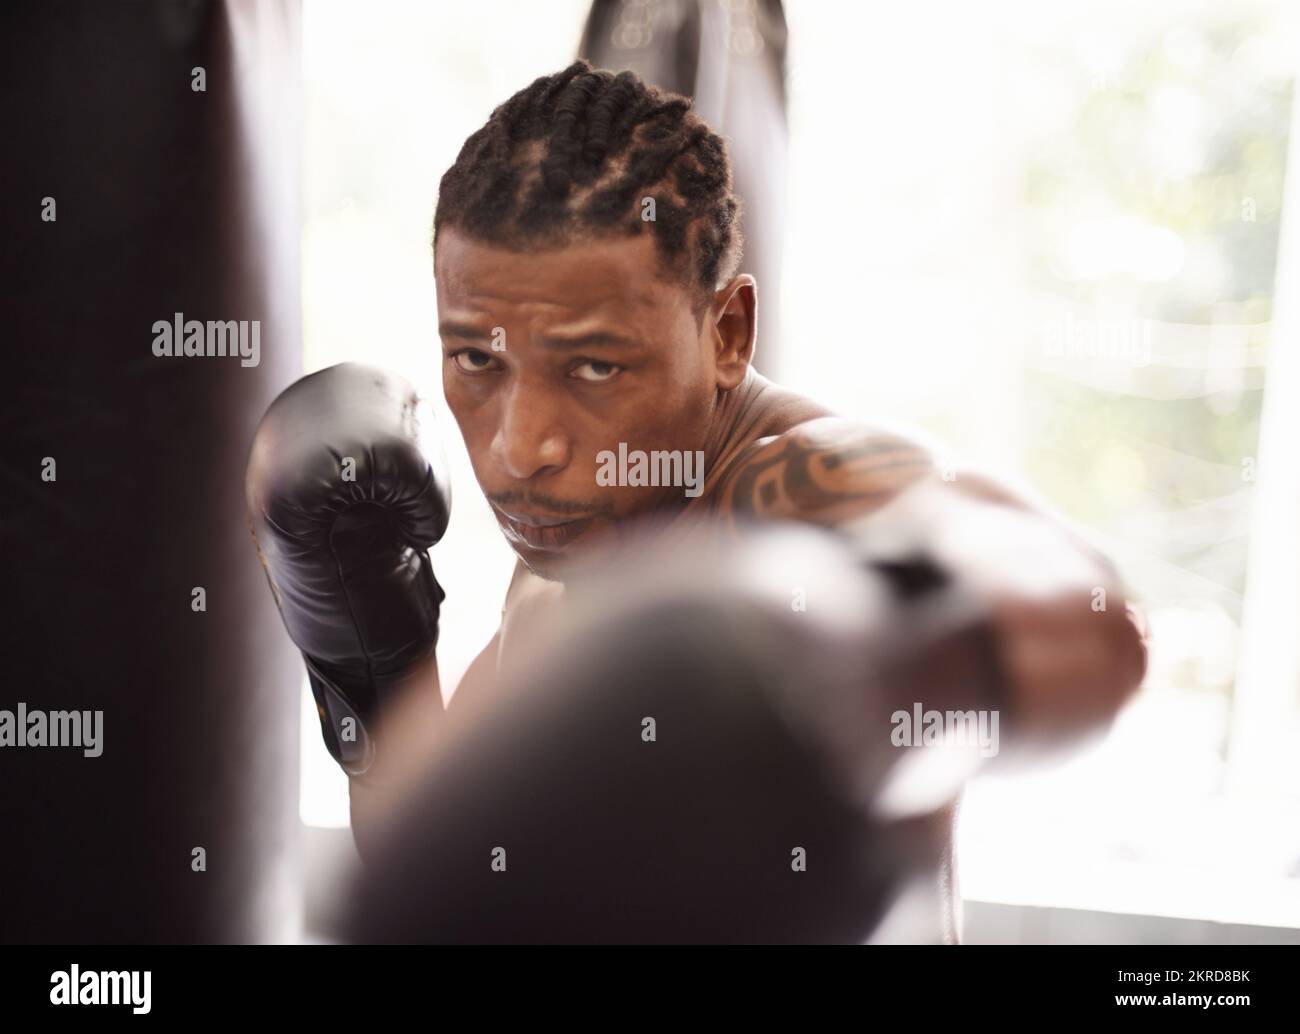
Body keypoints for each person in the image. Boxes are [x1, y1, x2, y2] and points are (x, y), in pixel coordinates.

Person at [248, 60, 1148, 942]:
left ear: (727, 332)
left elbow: (1096, 619)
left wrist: (864, 648)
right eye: (478, 360)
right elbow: (451, 887)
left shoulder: (790, 494)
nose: (521, 447)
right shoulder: (576, 554)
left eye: (594, 365)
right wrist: (377, 675)